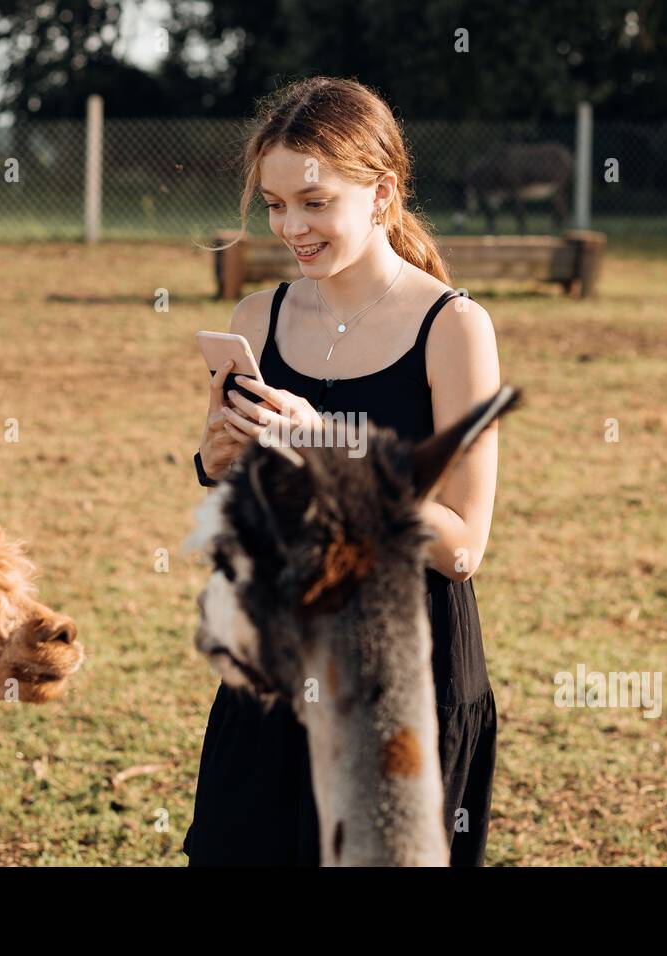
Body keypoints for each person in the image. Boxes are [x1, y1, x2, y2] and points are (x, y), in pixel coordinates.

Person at [186, 76, 503, 866]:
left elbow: (462, 547)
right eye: (274, 204)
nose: (291, 225)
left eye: (314, 201)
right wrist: (216, 460)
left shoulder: (453, 328)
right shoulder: (255, 318)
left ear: (383, 192)